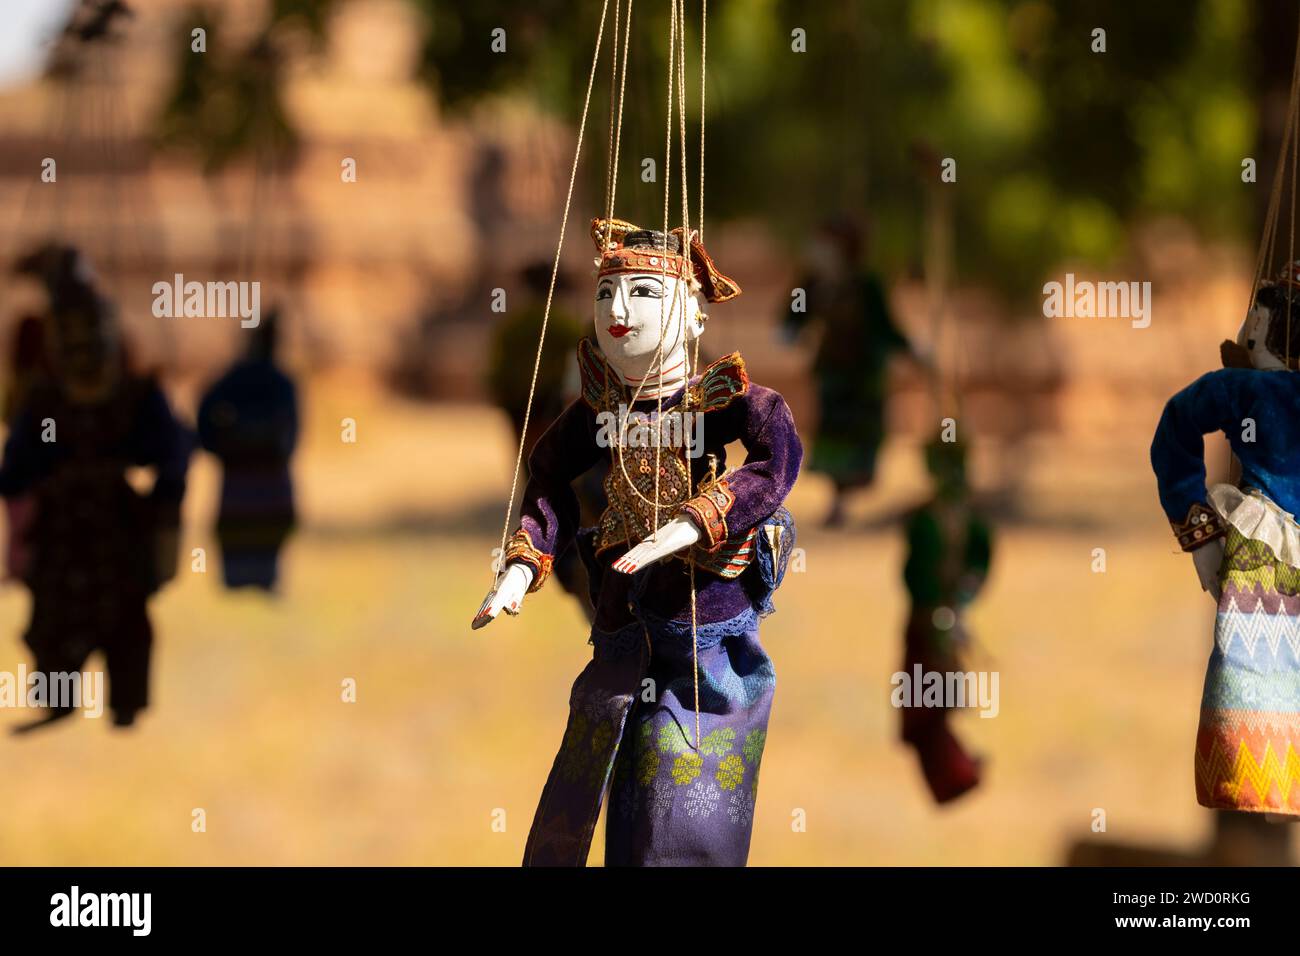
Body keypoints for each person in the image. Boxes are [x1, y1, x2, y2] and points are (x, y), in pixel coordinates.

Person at [473, 218, 802, 866]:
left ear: (694, 319)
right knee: (614, 778)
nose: (618, 311)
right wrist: (520, 566)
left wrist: (696, 519)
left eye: (644, 294)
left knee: (683, 786)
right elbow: (547, 478)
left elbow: (778, 450)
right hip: (626, 629)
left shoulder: (718, 398)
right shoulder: (597, 412)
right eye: (605, 295)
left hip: (708, 631)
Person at [0, 270, 190, 730]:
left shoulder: (132, 397)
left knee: (123, 625)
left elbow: (173, 455)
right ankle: (62, 698)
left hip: (109, 533)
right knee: (58, 623)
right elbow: (16, 471)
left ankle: (123, 700)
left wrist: (164, 511)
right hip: (69, 534)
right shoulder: (46, 402)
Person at [1150, 265, 1300, 816]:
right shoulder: (1248, 388)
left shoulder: (1244, 388)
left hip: (1262, 553)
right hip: (1264, 552)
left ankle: (1253, 774)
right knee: (1254, 669)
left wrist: (1201, 534)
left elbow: (1174, 430)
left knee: (1254, 670)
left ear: (1259, 322)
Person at [784, 217, 917, 526]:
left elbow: (885, 328)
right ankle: (838, 498)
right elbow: (793, 319)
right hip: (832, 373)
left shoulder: (865, 287)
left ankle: (847, 494)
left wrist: (912, 350)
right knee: (834, 434)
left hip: (863, 374)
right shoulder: (813, 285)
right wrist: (792, 331)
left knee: (860, 434)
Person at [899, 434, 992, 803]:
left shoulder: (970, 522)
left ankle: (954, 775)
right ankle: (952, 775)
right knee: (927, 705)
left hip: (939, 618)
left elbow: (978, 564)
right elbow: (913, 572)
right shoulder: (925, 519)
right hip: (928, 619)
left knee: (931, 705)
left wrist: (957, 601)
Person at [197, 307, 298, 591]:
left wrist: (220, 445)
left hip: (240, 488)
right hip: (268, 488)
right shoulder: (280, 383)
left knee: (243, 567)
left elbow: (204, 414)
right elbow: (292, 438)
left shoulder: (235, 380)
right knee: (259, 566)